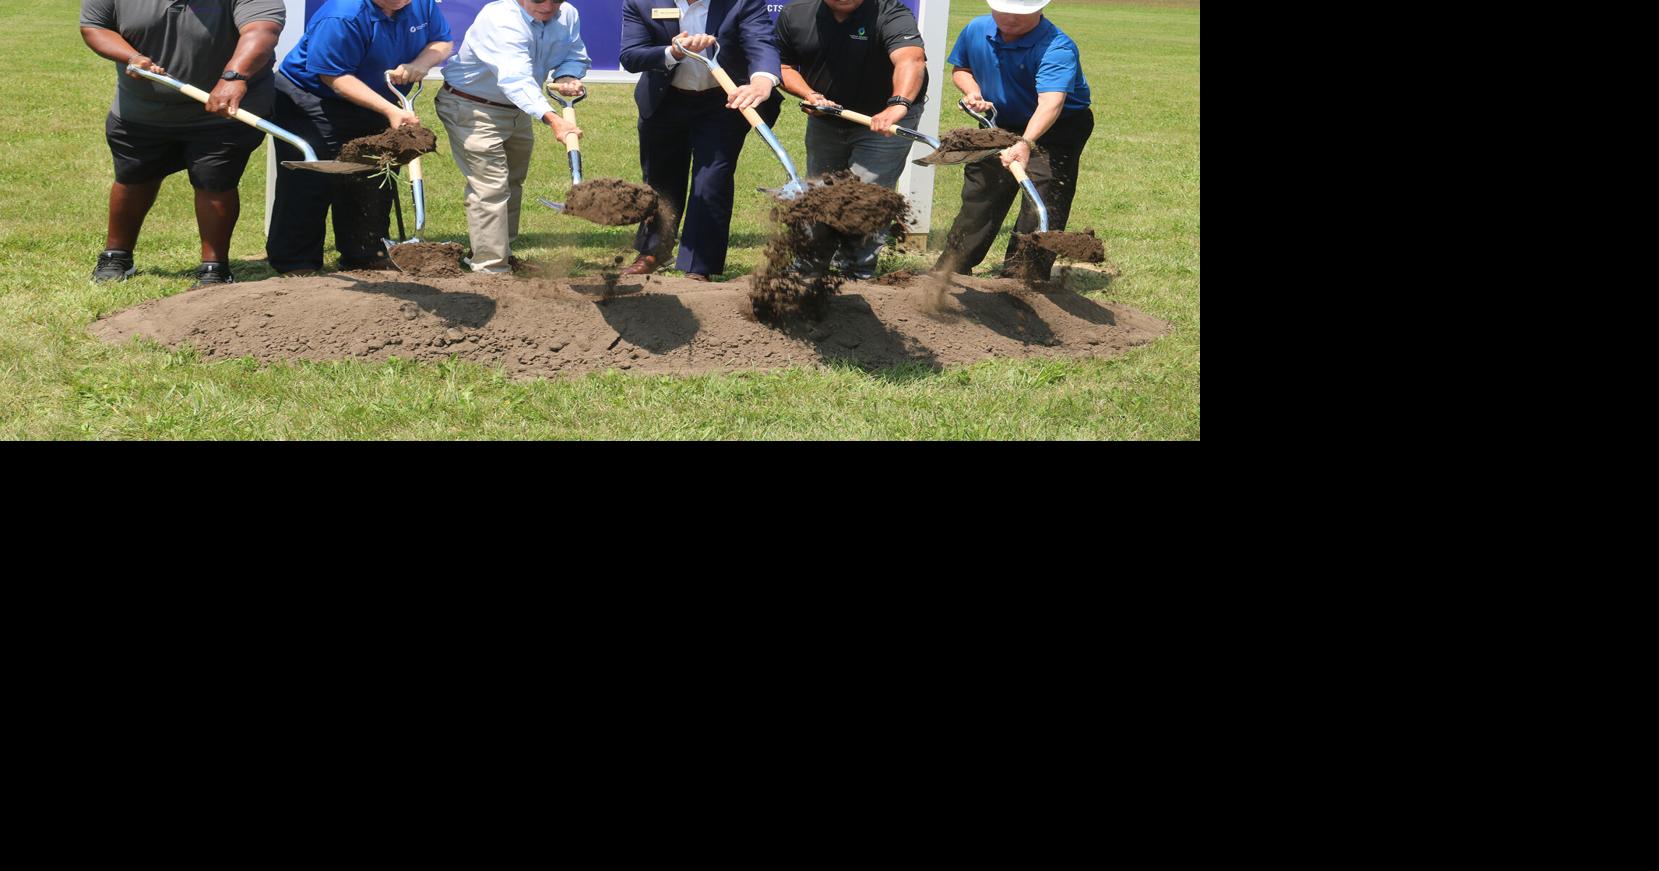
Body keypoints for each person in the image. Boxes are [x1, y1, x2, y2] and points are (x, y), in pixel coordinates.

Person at [79, 0, 285, 287]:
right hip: (142, 109)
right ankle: (117, 256)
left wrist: (234, 76)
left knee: (215, 180)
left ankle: (214, 267)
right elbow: (95, 26)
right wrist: (131, 56)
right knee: (133, 176)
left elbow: (262, 29)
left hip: (221, 111)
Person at [267, 0, 453, 275]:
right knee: (312, 179)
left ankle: (365, 254)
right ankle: (296, 263)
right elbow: (334, 77)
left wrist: (419, 64)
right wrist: (390, 109)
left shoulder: (420, 4)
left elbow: (442, 41)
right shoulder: (342, 16)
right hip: (313, 98)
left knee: (375, 174)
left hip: (377, 97)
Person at [619, 0, 783, 281]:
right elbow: (632, 56)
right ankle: (654, 250)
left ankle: (699, 266)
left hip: (723, 102)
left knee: (712, 180)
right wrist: (673, 52)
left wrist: (762, 80)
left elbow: (761, 41)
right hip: (665, 100)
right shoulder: (642, 1)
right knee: (660, 180)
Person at [933, 0, 1093, 281]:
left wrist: (1026, 143)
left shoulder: (1057, 47)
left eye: (1019, 13)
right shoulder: (976, 28)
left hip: (1057, 127)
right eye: (1002, 9)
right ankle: (952, 268)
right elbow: (962, 68)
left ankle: (1022, 279)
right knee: (981, 191)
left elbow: (1050, 105)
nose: (1008, 18)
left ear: (1039, 9)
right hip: (1000, 121)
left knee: (1042, 195)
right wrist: (974, 93)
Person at [776, 0, 927, 280]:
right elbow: (783, 65)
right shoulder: (795, 14)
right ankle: (809, 266)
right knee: (820, 192)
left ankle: (857, 272)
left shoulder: (890, 12)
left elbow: (911, 59)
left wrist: (898, 104)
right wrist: (809, 94)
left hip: (883, 120)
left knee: (868, 194)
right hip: (828, 118)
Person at [435, 0, 589, 274]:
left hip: (518, 107)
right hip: (471, 106)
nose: (548, 6)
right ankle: (491, 268)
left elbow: (574, 54)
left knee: (513, 181)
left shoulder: (567, 15)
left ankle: (501, 251)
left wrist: (567, 75)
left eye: (556, 0)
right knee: (491, 185)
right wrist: (552, 118)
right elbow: (515, 78)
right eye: (538, 0)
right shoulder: (500, 19)